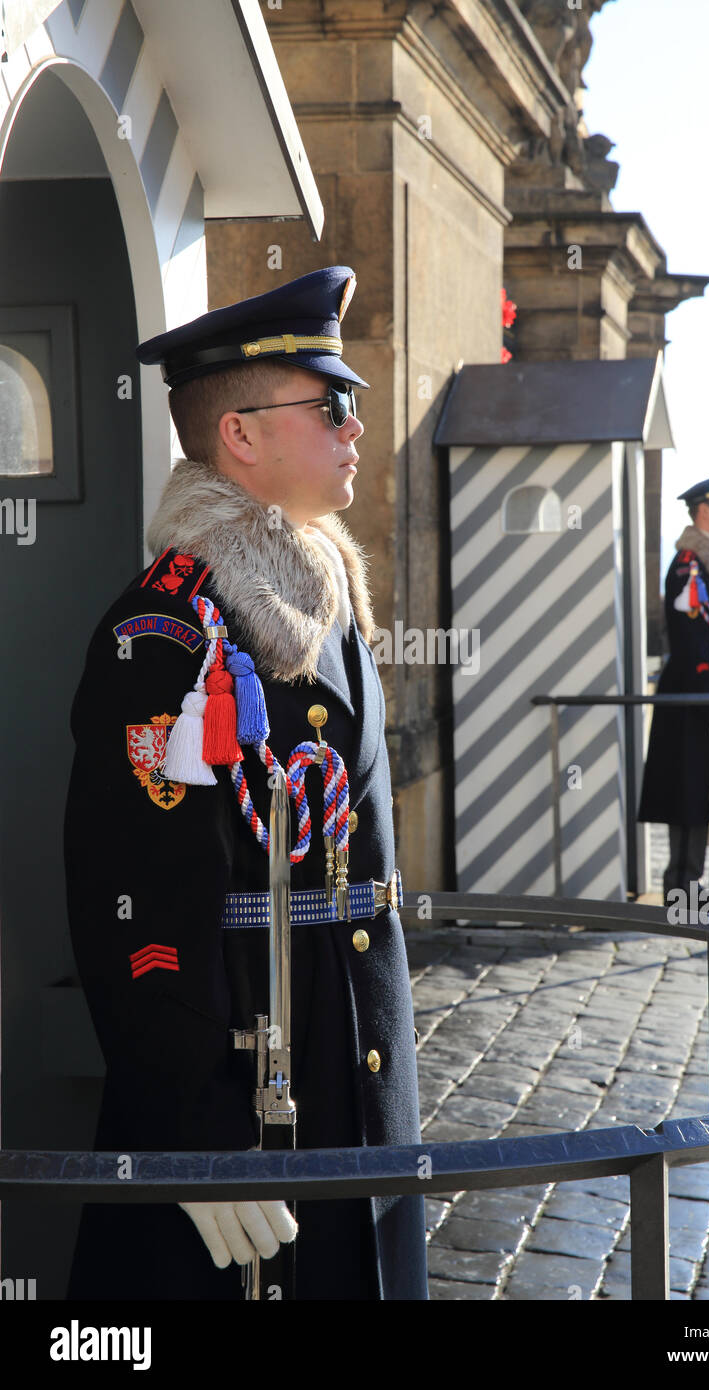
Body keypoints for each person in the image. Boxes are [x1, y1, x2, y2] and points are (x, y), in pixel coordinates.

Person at [64, 267, 428, 1301]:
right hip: (255, 1094)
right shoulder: (169, 633)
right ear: (241, 436)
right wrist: (195, 1136)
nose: (357, 425)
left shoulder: (317, 584)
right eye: (333, 404)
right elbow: (129, 904)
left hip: (350, 1059)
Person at [638, 472, 709, 902]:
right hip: (693, 693)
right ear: (704, 509)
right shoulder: (690, 562)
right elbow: (689, 638)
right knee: (687, 794)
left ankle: (694, 883)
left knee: (705, 794)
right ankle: (681, 887)